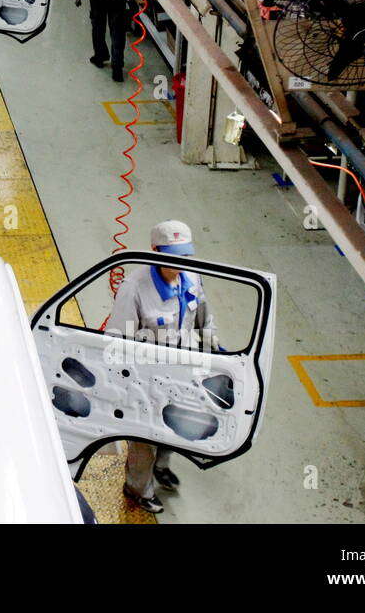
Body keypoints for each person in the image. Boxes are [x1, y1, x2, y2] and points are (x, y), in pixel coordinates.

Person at [107, 220, 218, 514]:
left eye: (185, 255)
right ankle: (137, 489)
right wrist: (125, 386)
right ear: (154, 250)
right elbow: (118, 339)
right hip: (147, 377)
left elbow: (204, 318)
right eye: (172, 256)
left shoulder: (191, 277)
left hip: (183, 371)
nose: (179, 263)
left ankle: (162, 466)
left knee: (176, 425)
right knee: (145, 439)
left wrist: (215, 351)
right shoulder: (135, 288)